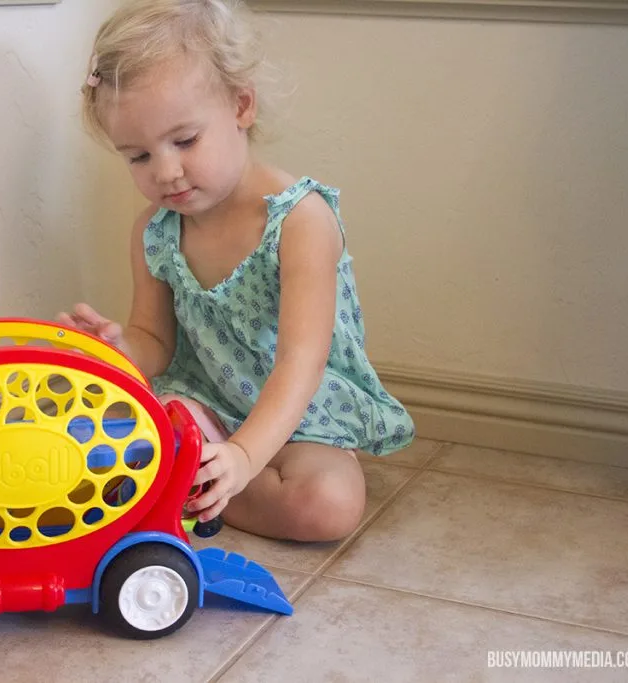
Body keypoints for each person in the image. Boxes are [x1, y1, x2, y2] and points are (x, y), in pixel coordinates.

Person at [58, 0, 414, 542]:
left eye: (184, 141)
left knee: (327, 506)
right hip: (202, 403)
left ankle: (181, 482)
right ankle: (192, 471)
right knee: (88, 437)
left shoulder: (299, 221)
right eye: (138, 157)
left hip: (299, 415)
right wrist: (117, 347)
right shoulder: (155, 230)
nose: (166, 172)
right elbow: (155, 337)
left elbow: (302, 361)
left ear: (241, 106)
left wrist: (245, 455)